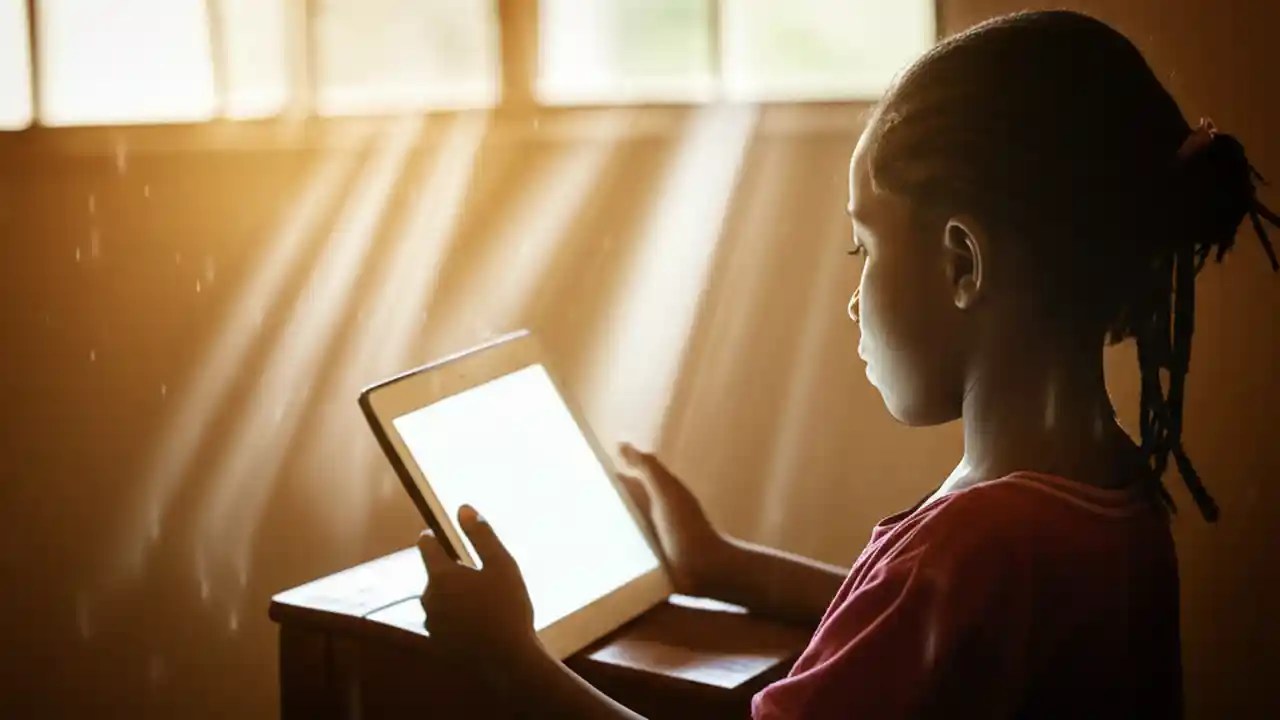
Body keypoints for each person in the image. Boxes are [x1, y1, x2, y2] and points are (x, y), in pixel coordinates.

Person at [415, 10, 1279, 718]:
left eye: (861, 243)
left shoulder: (972, 546)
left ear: (962, 265)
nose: (854, 300)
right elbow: (934, 632)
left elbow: (924, 606)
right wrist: (719, 565)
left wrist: (511, 660)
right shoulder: (1108, 495)